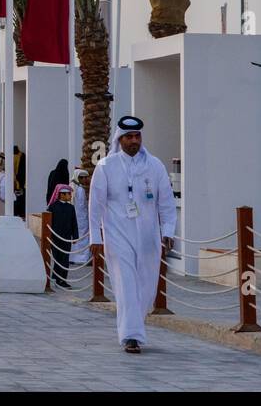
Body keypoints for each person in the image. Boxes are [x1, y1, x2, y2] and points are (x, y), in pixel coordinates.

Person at [88, 116, 176, 354]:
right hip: (118, 235)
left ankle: (135, 324)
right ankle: (131, 336)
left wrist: (168, 231)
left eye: (137, 136)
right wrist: (95, 236)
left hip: (149, 237)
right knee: (126, 283)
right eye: (128, 137)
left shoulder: (155, 165)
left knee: (146, 287)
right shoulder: (106, 166)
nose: (133, 141)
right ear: (120, 139)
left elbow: (166, 203)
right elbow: (95, 205)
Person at [46, 184, 79, 287]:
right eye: (68, 194)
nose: (70, 196)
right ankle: (55, 278)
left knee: (65, 260)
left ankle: (62, 280)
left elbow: (74, 222)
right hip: (55, 238)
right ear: (61, 195)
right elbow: (49, 223)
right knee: (57, 259)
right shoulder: (53, 207)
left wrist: (75, 236)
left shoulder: (71, 208)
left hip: (66, 238)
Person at [70, 168, 92, 265]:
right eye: (82, 178)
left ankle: (73, 257)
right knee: (82, 237)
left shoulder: (72, 186)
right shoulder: (79, 189)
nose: (85, 180)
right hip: (81, 218)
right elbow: (82, 205)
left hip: (75, 217)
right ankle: (82, 258)